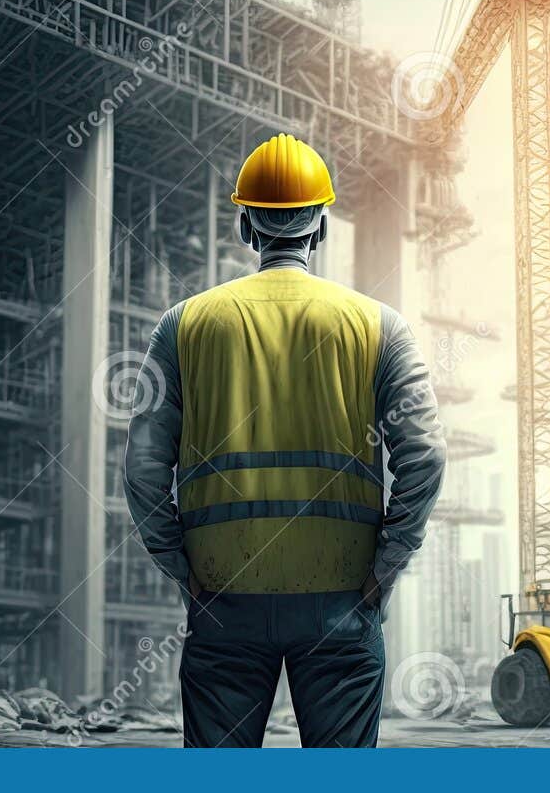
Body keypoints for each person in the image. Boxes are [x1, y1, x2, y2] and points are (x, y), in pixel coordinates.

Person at [123, 132, 446, 748]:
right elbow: (425, 456)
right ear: (321, 224)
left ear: (245, 225)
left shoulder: (182, 325)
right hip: (342, 600)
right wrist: (385, 567)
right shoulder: (382, 326)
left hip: (223, 597)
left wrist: (181, 568)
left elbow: (142, 470)